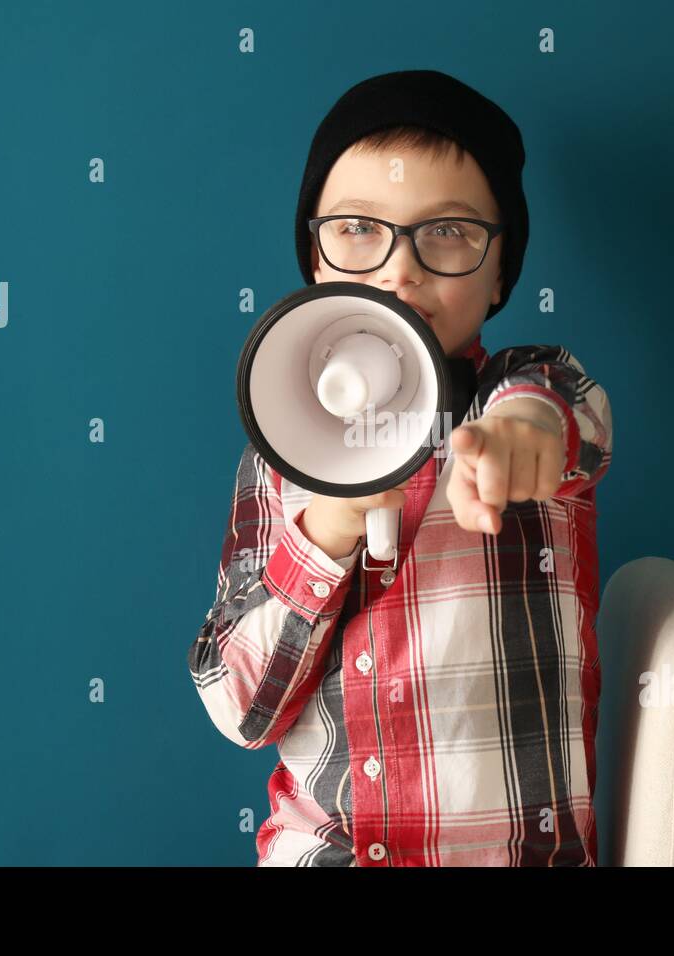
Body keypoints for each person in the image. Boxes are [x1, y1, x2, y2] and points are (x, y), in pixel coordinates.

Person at [188, 69, 614, 865]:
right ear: (314, 258)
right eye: (357, 228)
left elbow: (568, 418)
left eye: (448, 232)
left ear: (498, 274)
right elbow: (240, 709)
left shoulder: (529, 387)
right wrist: (328, 528)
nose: (399, 270)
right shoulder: (278, 455)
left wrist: (522, 430)